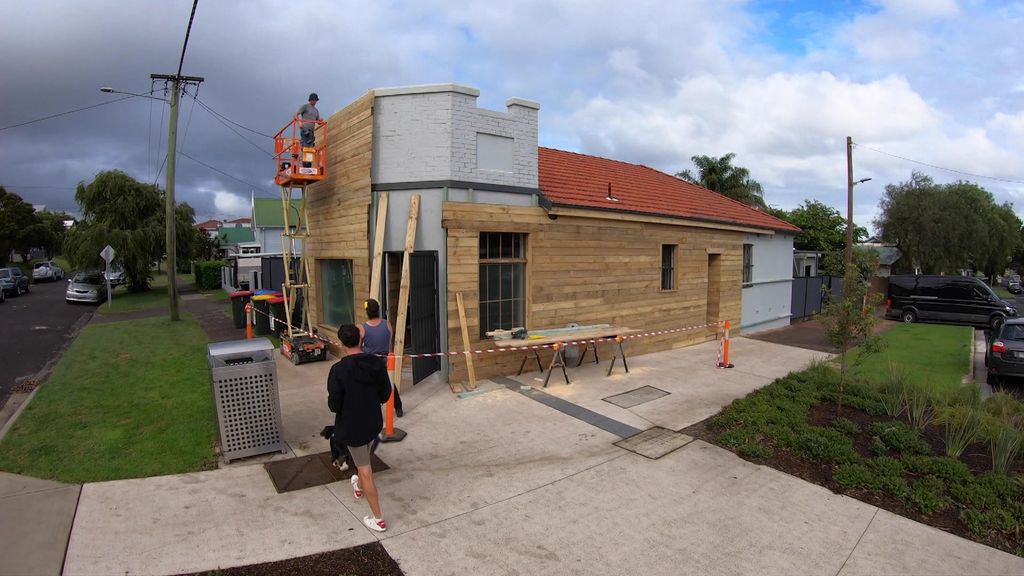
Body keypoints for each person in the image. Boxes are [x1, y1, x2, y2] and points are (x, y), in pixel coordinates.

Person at [327, 324, 393, 532]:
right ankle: (357, 482)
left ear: (341, 343)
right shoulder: (376, 363)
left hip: (353, 427)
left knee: (366, 472)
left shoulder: (338, 370)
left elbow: (334, 405)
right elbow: (385, 393)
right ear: (361, 340)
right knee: (363, 459)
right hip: (373, 423)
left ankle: (378, 519)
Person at [359, 298, 403, 417]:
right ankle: (398, 407)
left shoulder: (363, 328)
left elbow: (358, 348)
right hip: (385, 360)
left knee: (369, 386)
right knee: (389, 383)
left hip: (370, 362)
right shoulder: (387, 324)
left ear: (367, 312)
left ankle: (370, 410)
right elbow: (389, 344)